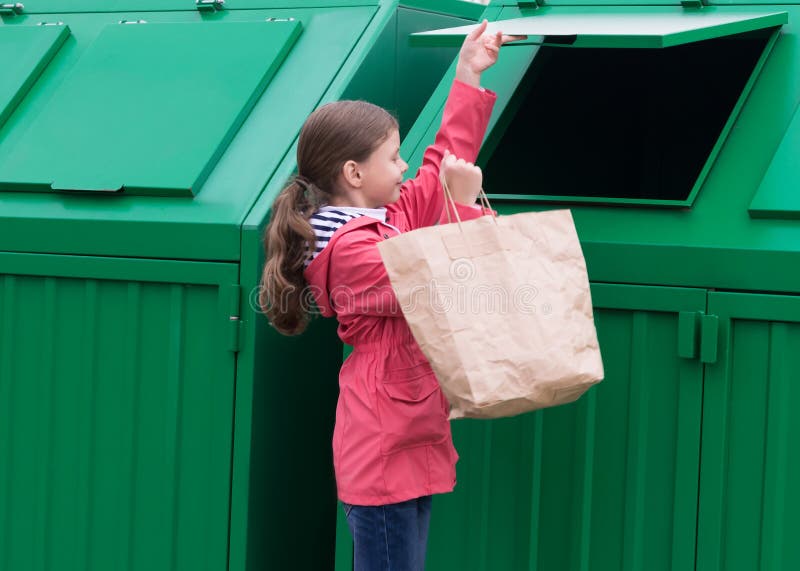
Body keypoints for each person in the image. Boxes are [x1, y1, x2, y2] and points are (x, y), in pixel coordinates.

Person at [260, 20, 522, 571]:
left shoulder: (380, 220)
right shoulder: (351, 254)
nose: (405, 167)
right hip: (383, 450)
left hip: (406, 435)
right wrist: (468, 206)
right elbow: (448, 282)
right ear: (355, 172)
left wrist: (469, 73)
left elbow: (437, 169)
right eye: (393, 158)